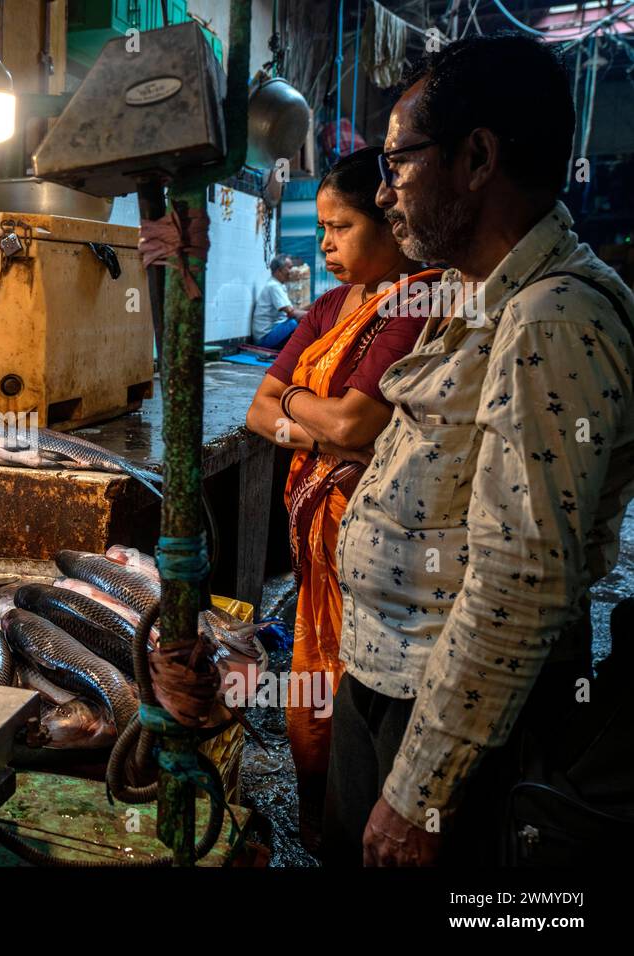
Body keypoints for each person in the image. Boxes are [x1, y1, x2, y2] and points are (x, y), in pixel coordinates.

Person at [324, 34, 634, 866]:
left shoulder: (554, 317)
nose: (386, 193)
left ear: (477, 158)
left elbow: (522, 580)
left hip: (457, 728)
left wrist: (421, 789)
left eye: (399, 164)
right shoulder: (480, 298)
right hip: (392, 680)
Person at [246, 147, 442, 852]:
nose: (324, 243)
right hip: (316, 540)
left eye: (342, 226)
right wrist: (315, 416)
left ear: (389, 225)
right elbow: (257, 410)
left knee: (366, 690)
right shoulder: (332, 304)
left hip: (376, 541)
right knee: (311, 687)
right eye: (322, 227)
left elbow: (359, 423)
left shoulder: (421, 298)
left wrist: (300, 409)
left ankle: (363, 830)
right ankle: (319, 832)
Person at [252, 255, 309, 349]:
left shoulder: (279, 285)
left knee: (301, 318)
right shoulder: (274, 286)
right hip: (264, 339)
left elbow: (293, 311)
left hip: (273, 332)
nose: (292, 271)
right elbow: (291, 313)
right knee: (297, 321)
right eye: (289, 267)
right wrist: (313, 314)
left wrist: (315, 306)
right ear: (279, 271)